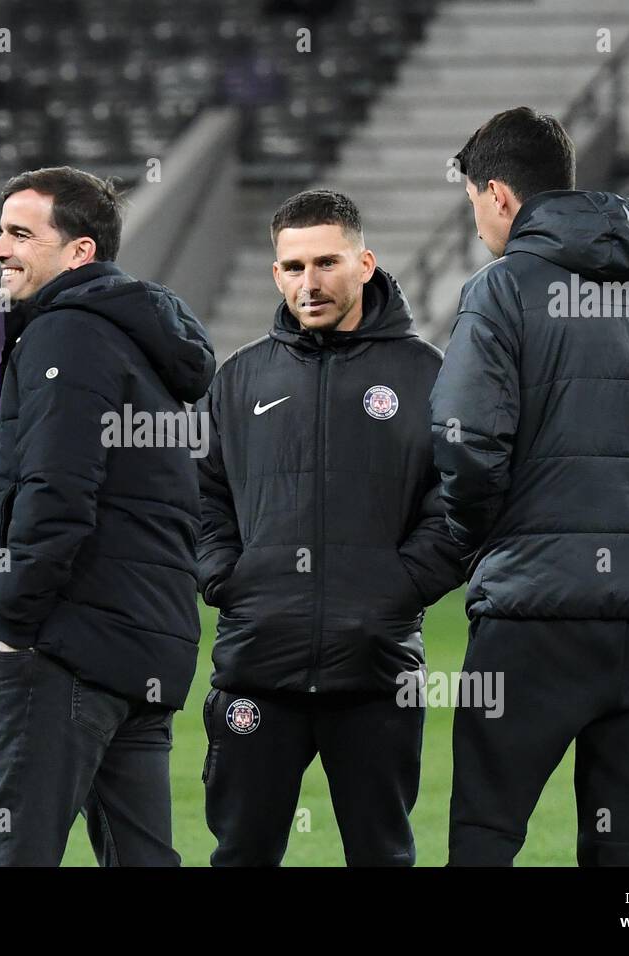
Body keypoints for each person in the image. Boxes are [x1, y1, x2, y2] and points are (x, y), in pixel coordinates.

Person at [429, 107, 629, 866]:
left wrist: (480, 542)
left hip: (531, 614)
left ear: (499, 195)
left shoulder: (500, 291)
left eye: (473, 202)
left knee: (485, 831)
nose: (475, 223)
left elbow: (466, 443)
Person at [195, 189, 466, 866]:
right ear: (275, 272)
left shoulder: (428, 376)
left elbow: (460, 502)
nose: (308, 283)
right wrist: (228, 577)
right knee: (241, 854)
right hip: (258, 668)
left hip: (375, 671)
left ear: (365, 262)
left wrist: (399, 586)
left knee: (382, 855)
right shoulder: (239, 378)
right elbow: (201, 496)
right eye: (292, 267)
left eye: (325, 263)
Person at [0, 166, 215, 866]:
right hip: (145, 641)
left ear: (79, 253)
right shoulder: (143, 339)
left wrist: (14, 623)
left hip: (67, 644)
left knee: (13, 854)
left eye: (19, 233)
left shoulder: (66, 333)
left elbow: (56, 492)